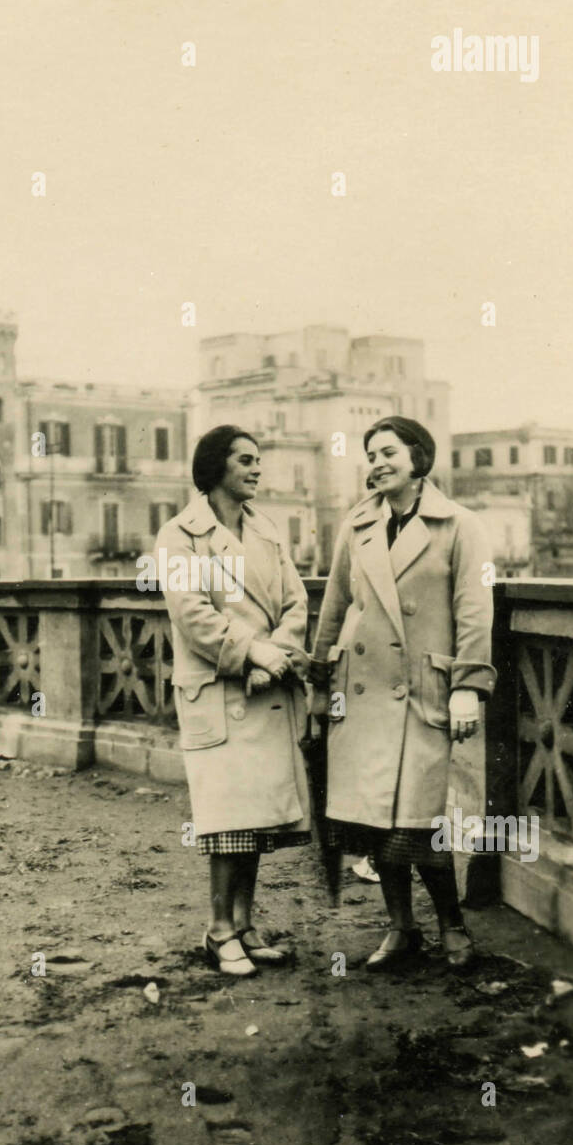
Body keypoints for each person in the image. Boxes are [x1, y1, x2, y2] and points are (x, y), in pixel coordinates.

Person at [310, 416, 496, 969]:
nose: (376, 463)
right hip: (361, 695)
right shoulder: (356, 525)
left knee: (419, 819)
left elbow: (474, 610)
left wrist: (468, 684)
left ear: (419, 458)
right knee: (372, 818)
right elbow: (334, 608)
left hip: (423, 691)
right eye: (370, 454)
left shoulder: (461, 524)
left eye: (388, 451)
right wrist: (321, 683)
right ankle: (401, 929)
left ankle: (453, 928)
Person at [156, 425, 311, 977]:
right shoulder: (180, 535)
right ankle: (219, 929)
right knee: (227, 821)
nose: (256, 469)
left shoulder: (267, 532)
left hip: (265, 690)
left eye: (258, 460)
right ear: (215, 467)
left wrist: (278, 654)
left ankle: (244, 926)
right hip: (218, 694)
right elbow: (192, 614)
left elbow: (296, 603)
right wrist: (253, 655)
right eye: (245, 460)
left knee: (255, 820)